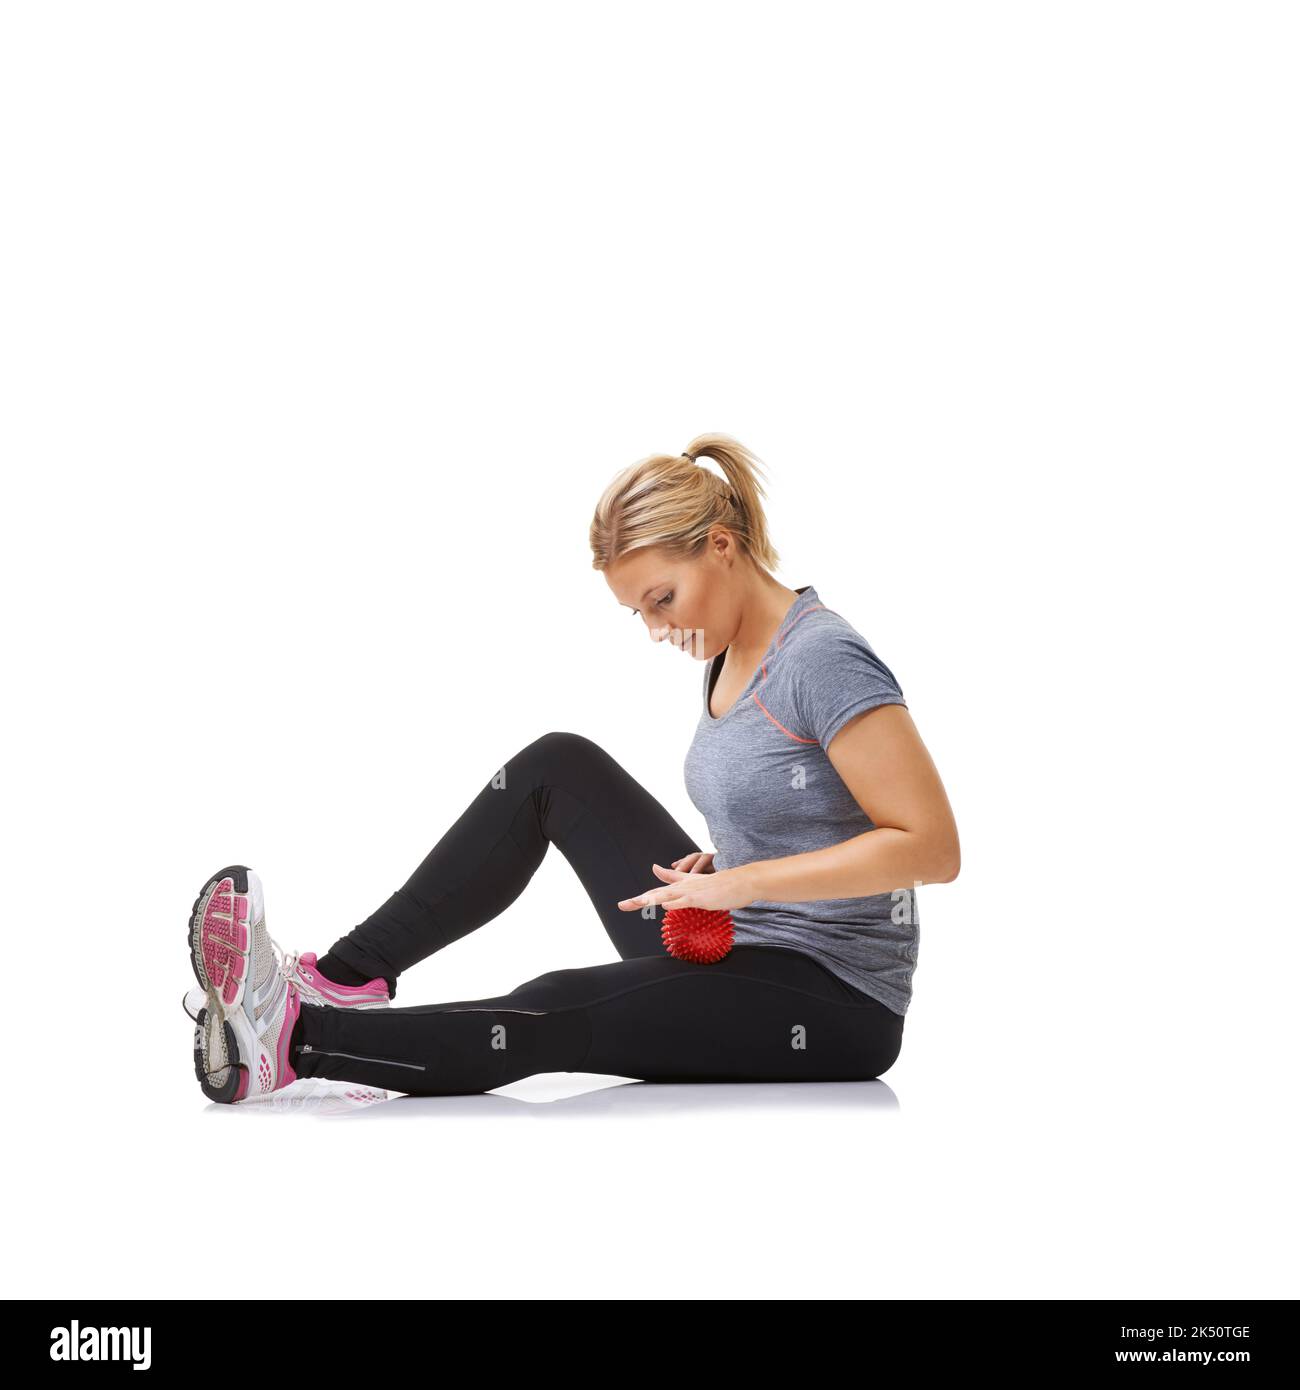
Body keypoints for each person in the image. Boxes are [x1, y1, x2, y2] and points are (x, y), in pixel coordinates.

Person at [184, 433, 961, 1102]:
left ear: (722, 546)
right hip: (734, 937)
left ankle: (290, 1043)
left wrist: (744, 881)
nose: (658, 630)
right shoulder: (727, 650)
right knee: (558, 765)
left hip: (832, 1001)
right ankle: (341, 977)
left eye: (663, 598)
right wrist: (729, 863)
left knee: (559, 1004)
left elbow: (930, 847)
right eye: (641, 614)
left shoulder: (822, 658)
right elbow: (813, 812)